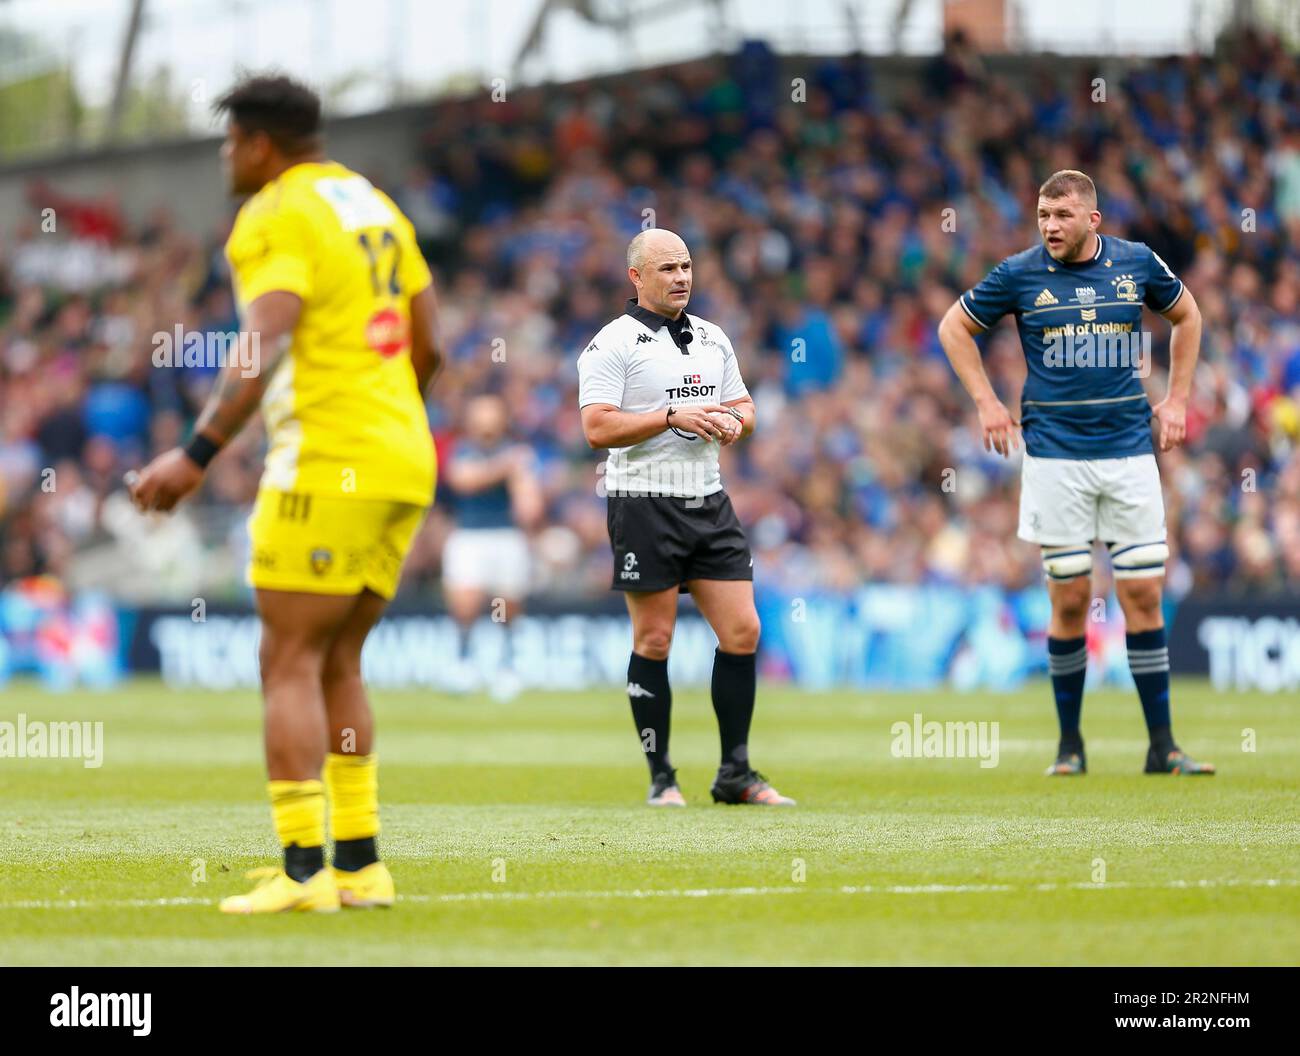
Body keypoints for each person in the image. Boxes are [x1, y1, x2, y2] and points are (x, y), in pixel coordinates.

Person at [128, 74, 445, 912]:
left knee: (289, 660)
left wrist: (195, 455)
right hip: (403, 457)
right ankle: (361, 865)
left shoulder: (274, 213)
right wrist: (387, 419)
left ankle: (304, 872)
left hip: (326, 460)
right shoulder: (374, 203)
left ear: (261, 143)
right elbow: (432, 344)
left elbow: (261, 342)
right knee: (340, 658)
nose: (228, 157)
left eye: (232, 142)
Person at [937, 169, 1214, 777]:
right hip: (1055, 455)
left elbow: (1188, 317)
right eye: (1042, 215)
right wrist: (986, 402)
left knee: (1142, 592)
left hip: (1128, 451)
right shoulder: (1018, 273)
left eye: (1062, 216)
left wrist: (1177, 402)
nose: (1050, 226)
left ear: (1094, 220)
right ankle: (1069, 746)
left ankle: (1162, 746)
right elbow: (953, 327)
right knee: (1068, 601)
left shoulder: (1137, 263)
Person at [577, 228, 794, 807]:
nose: (681, 277)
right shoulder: (610, 345)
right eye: (668, 268)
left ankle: (736, 773)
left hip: (707, 499)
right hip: (643, 502)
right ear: (637, 278)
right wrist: (672, 415)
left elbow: (744, 406)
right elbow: (596, 427)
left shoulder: (712, 337)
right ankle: (662, 776)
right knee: (655, 637)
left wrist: (733, 422)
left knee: (743, 631)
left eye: (687, 266)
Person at [442, 393, 543, 697]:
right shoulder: (463, 450)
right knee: (465, 602)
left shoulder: (517, 455)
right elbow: (462, 480)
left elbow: (530, 509)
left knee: (508, 604)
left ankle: (508, 665)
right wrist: (506, 467)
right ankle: (464, 661)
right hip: (469, 534)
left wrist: (518, 476)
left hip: (506, 535)